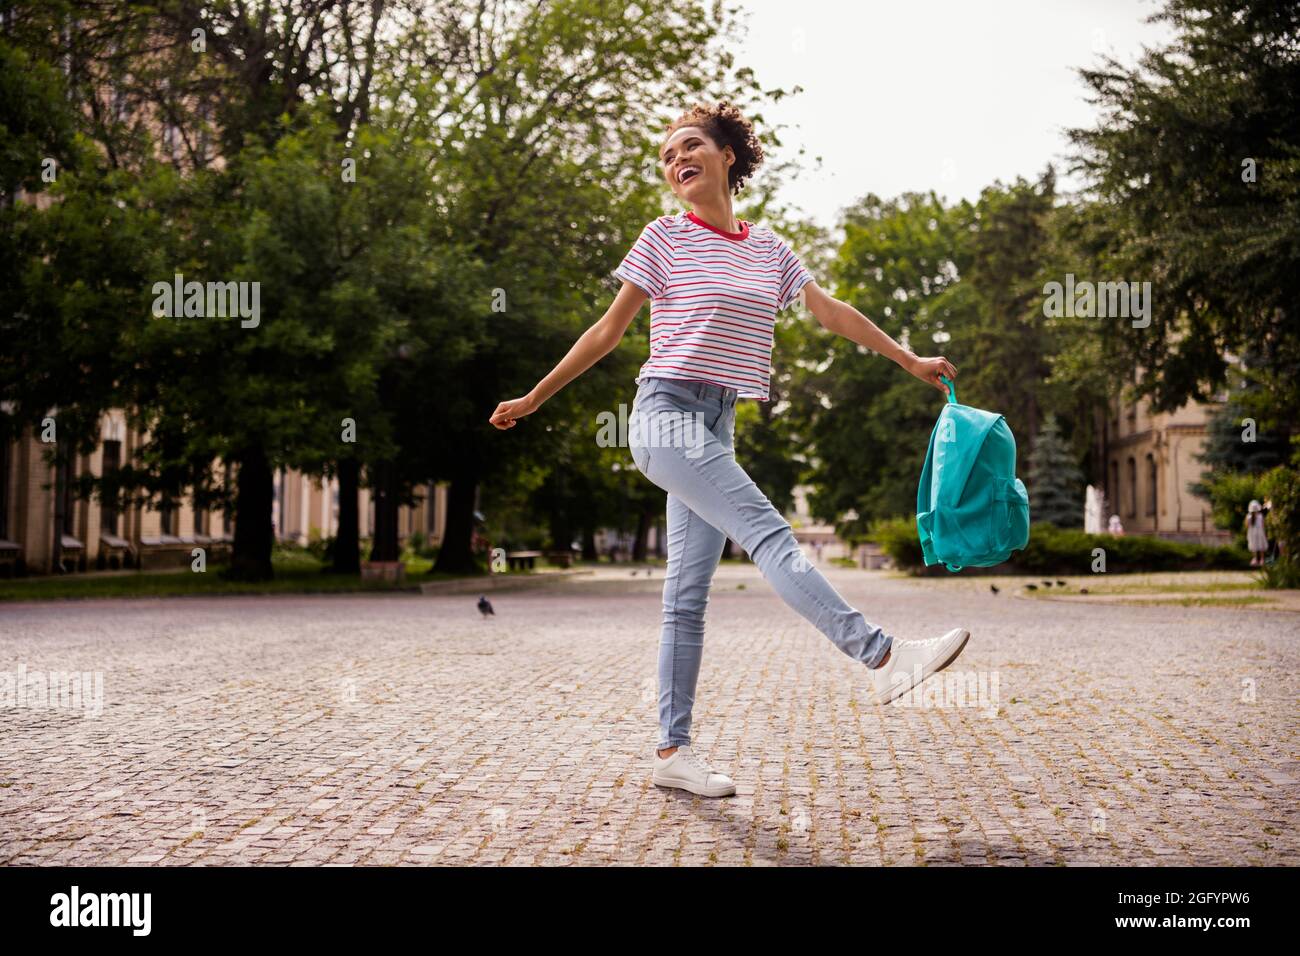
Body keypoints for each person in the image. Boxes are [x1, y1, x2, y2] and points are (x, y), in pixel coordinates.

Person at [488, 101, 969, 798]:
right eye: (665, 156)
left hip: (717, 424)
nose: (675, 159)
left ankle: (671, 754)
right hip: (664, 415)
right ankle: (884, 655)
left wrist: (909, 359)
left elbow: (831, 312)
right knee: (771, 534)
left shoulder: (770, 250)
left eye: (688, 146)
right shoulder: (663, 238)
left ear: (727, 157)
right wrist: (535, 397)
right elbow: (607, 332)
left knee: (685, 598)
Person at [1245, 499, 1269, 567]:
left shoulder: (1249, 516)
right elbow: (1263, 525)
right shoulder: (1260, 516)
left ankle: (1256, 559)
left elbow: (1246, 525)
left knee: (1255, 545)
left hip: (1253, 532)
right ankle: (1261, 559)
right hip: (1259, 532)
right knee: (1259, 545)